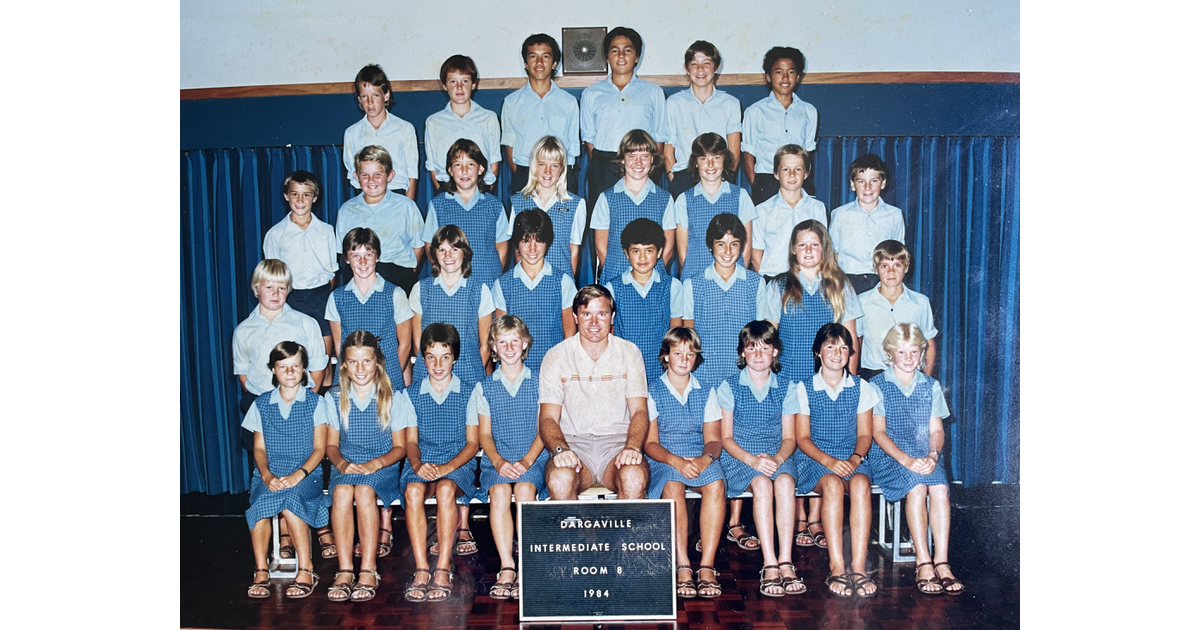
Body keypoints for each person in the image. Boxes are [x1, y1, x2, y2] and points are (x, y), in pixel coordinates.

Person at [681, 214, 769, 550]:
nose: (728, 251)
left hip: (740, 380)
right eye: (721, 244)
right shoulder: (694, 283)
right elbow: (688, 335)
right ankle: (703, 526)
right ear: (710, 247)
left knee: (736, 443)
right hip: (704, 378)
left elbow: (761, 334)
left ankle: (733, 523)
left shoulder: (754, 283)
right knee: (707, 446)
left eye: (734, 244)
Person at [867, 323, 961, 595]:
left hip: (923, 452)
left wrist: (933, 455)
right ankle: (923, 561)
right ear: (890, 353)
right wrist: (907, 461)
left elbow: (935, 431)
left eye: (914, 352)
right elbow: (879, 433)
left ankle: (942, 561)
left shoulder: (930, 386)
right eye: (902, 352)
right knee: (917, 487)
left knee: (940, 488)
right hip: (890, 455)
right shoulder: (877, 385)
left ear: (922, 354)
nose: (908, 358)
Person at [716, 321, 804, 597]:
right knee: (763, 485)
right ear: (742, 352)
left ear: (775, 352)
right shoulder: (729, 386)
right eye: (751, 348)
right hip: (741, 457)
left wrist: (777, 459)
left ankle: (786, 560)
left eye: (765, 348)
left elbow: (790, 438)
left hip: (776, 454)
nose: (758, 354)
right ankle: (770, 563)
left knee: (786, 483)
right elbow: (726, 438)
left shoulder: (787, 386)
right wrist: (753, 461)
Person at [538, 285, 650, 499]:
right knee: (560, 480)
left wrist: (633, 447)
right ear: (575, 317)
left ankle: (622, 535)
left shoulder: (629, 352)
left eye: (602, 314)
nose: (594, 323)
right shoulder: (556, 356)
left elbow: (639, 412)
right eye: (586, 314)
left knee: (633, 478)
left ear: (612, 316)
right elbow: (548, 418)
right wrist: (560, 450)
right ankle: (576, 535)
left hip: (618, 444)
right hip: (573, 444)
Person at [792, 323, 879, 599]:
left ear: (850, 353)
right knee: (831, 485)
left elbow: (865, 434)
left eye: (843, 347)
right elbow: (802, 439)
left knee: (862, 484)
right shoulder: (804, 388)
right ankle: (837, 564)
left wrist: (855, 459)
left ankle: (858, 566)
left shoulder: (861, 387)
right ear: (817, 351)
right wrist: (829, 462)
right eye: (830, 346)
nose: (837, 352)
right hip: (815, 459)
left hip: (851, 457)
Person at [399, 324, 481, 604]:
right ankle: (422, 568)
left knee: (446, 490)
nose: (437, 364)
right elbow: (410, 442)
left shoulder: (470, 392)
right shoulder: (410, 394)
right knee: (412, 490)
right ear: (422, 357)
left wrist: (447, 468)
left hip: (457, 462)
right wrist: (418, 464)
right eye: (431, 356)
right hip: (422, 460)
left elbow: (473, 444)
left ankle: (443, 567)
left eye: (445, 356)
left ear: (455, 358)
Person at [323, 331, 408, 603]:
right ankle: (346, 568)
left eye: (367, 362)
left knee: (363, 491)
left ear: (377, 363)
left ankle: (368, 568)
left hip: (381, 465)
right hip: (346, 464)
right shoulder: (334, 397)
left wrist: (375, 464)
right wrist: (342, 464)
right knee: (341, 493)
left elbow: (400, 448)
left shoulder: (393, 397)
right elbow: (332, 446)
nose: (360, 369)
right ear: (344, 364)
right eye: (353, 362)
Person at [644, 328, 726, 599]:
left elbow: (714, 441)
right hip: (665, 458)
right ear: (665, 356)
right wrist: (676, 462)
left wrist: (705, 458)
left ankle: (707, 565)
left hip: (698, 455)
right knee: (674, 486)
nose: (684, 359)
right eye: (677, 353)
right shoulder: (651, 391)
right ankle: (683, 565)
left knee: (715, 483)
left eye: (690, 354)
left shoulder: (706, 391)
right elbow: (650, 444)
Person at [243, 341, 329, 600]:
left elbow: (319, 449)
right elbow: (259, 449)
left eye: (295, 366)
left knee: (291, 501)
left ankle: (306, 569)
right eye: (283, 367)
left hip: (307, 474)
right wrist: (267, 475)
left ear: (304, 370)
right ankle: (260, 570)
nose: (290, 372)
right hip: (270, 473)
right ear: (273, 370)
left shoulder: (316, 403)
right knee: (259, 503)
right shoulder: (260, 404)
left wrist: (298, 475)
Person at [471, 316, 549, 600]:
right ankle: (507, 565)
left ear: (525, 343)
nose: (509, 347)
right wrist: (499, 461)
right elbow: (485, 436)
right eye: (502, 342)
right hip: (499, 460)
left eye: (515, 340)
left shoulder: (540, 381)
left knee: (526, 490)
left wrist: (528, 461)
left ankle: (529, 564)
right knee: (500, 493)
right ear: (493, 346)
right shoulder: (485, 387)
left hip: (533, 458)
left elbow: (545, 429)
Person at [580, 26, 668, 212]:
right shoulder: (591, 94)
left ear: (636, 57)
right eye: (615, 50)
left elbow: (659, 136)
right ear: (606, 57)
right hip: (604, 166)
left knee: (643, 219)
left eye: (627, 50)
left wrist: (650, 167)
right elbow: (589, 139)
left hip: (642, 165)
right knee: (604, 221)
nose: (621, 56)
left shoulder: (653, 92)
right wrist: (604, 163)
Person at [264, 171, 338, 386]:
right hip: (291, 299)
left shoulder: (326, 231)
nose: (300, 200)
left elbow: (331, 273)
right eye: (295, 194)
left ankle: (323, 407)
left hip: (321, 297)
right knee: (292, 359)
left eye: (306, 195)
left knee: (323, 360)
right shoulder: (275, 234)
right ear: (286, 196)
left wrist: (322, 296)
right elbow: (272, 276)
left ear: (315, 197)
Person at [233, 259, 329, 417]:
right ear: (256, 289)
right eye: (269, 287)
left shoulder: (306, 323)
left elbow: (318, 368)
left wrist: (305, 404)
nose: (275, 294)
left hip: (299, 404)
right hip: (260, 408)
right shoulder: (243, 331)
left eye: (282, 288)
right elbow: (244, 375)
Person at [325, 228, 413, 391]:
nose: (363, 262)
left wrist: (385, 379)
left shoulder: (395, 294)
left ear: (377, 256)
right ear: (346, 259)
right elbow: (340, 348)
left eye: (368, 255)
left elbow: (405, 344)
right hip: (351, 382)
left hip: (387, 380)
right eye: (356, 256)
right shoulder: (336, 298)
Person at [493, 208, 577, 372]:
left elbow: (569, 336)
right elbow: (501, 335)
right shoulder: (503, 284)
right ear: (517, 243)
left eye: (538, 241)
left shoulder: (563, 281)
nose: (532, 248)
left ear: (547, 242)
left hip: (553, 369)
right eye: (525, 241)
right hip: (515, 370)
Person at [410, 224, 494, 385]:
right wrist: (436, 372)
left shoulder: (479, 290)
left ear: (465, 252)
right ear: (434, 253)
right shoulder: (421, 289)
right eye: (442, 250)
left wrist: (473, 375)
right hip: (430, 377)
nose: (448, 255)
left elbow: (485, 345)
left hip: (468, 375)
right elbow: (417, 343)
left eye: (455, 249)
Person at [334, 145, 425, 293]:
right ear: (356, 176)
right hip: (359, 278)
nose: (371, 180)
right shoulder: (346, 210)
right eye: (365, 175)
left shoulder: (406, 205)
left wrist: (406, 273)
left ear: (389, 175)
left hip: (397, 276)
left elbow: (418, 245)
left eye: (377, 175)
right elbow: (343, 251)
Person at [421, 138, 510, 288]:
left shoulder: (495, 205)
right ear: (450, 170)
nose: (464, 171)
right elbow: (430, 245)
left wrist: (491, 277)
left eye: (470, 164)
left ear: (481, 169)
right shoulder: (437, 205)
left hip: (487, 283)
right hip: (453, 283)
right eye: (457, 165)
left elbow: (502, 247)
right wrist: (447, 272)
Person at [501, 34, 581, 195]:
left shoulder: (569, 102)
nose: (539, 62)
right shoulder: (511, 102)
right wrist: (524, 173)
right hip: (525, 174)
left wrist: (564, 176)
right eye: (533, 56)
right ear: (525, 63)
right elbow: (509, 145)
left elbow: (572, 146)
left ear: (554, 63)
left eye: (545, 56)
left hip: (561, 176)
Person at [592, 129, 675, 284]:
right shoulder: (606, 198)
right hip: (616, 277)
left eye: (644, 156)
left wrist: (648, 274)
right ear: (623, 159)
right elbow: (601, 249)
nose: (638, 163)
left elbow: (668, 247)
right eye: (632, 156)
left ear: (652, 160)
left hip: (652, 279)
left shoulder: (665, 199)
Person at [605, 218, 684, 379]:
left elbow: (675, 333)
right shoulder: (612, 288)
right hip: (625, 370)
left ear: (659, 252)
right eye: (635, 251)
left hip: (661, 371)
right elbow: (609, 334)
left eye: (649, 250)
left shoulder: (672, 287)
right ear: (626, 253)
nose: (642, 257)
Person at [663, 41, 743, 198]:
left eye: (706, 63)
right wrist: (674, 180)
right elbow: (668, 151)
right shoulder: (674, 103)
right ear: (686, 69)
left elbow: (733, 150)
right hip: (684, 177)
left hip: (718, 175)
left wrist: (727, 178)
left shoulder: (730, 103)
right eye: (694, 64)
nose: (700, 69)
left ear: (716, 67)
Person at [671, 133, 756, 278]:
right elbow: (683, 252)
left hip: (732, 278)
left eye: (716, 158)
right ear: (696, 162)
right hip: (696, 278)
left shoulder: (740, 196)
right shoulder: (684, 200)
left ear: (725, 160)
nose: (710, 165)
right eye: (704, 159)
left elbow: (746, 246)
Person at [742, 47, 819, 204]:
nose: (785, 77)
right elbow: (748, 153)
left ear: (798, 77)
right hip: (767, 181)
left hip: (798, 181)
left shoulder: (809, 111)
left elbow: (808, 152)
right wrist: (756, 184)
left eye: (790, 72)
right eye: (778, 72)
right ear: (768, 77)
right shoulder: (755, 111)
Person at [856, 240, 938, 382]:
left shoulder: (920, 303)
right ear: (875, 269)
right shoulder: (861, 302)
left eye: (897, 265)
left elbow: (929, 344)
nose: (891, 272)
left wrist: (926, 381)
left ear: (906, 267)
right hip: (872, 375)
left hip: (909, 374)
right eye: (884, 266)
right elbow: (855, 341)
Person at [509, 136, 587, 277]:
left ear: (562, 169)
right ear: (534, 165)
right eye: (542, 164)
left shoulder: (576, 204)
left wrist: (567, 285)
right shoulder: (518, 202)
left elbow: (574, 252)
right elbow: (517, 250)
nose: (548, 171)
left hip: (560, 281)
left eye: (554, 165)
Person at [829, 154, 906, 294]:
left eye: (874, 181)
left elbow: (898, 254)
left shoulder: (894, 215)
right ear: (853, 185)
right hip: (848, 280)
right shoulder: (839, 214)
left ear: (883, 183)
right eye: (861, 182)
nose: (868, 187)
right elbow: (833, 252)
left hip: (881, 280)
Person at [425, 55, 501, 193]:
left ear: (473, 84)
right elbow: (433, 167)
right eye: (453, 82)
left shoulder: (489, 118)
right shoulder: (434, 122)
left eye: (465, 81)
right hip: (446, 190)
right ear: (444, 85)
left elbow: (494, 163)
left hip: (480, 189)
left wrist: (485, 193)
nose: (459, 87)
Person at [750, 145, 827, 278]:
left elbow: (822, 249)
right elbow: (756, 255)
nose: (792, 174)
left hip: (807, 278)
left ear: (806, 173)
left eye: (798, 169)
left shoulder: (817, 208)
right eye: (786, 169)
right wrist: (769, 284)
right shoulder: (762, 210)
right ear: (776, 173)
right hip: (773, 278)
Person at [343, 64, 419, 199]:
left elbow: (412, 175)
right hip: (366, 197)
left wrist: (408, 207)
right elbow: (353, 177)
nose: (370, 102)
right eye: (364, 97)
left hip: (397, 195)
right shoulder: (352, 133)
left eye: (375, 95)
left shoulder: (405, 129)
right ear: (359, 99)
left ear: (386, 95)